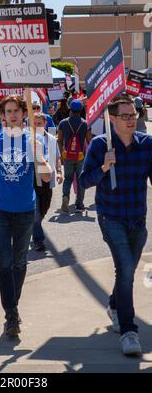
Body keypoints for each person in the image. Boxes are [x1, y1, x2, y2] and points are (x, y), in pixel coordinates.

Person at [80, 96, 152, 356]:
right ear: (112, 119)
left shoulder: (147, 144)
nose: (132, 119)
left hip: (137, 217)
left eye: (134, 114)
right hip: (111, 218)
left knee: (127, 271)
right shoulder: (101, 145)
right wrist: (104, 166)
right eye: (125, 116)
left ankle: (114, 304)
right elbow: (84, 180)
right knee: (125, 269)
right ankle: (129, 331)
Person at [0, 95, 52, 338]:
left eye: (15, 111)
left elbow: (47, 177)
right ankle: (11, 312)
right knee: (5, 262)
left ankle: (13, 306)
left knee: (20, 262)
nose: (11, 115)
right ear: (2, 116)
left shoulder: (35, 140)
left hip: (25, 210)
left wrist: (39, 157)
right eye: (7, 111)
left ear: (23, 114)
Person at [32, 112, 63, 251]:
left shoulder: (51, 138)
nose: (37, 126)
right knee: (36, 212)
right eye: (34, 123)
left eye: (39, 123)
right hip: (32, 181)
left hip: (47, 180)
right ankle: (38, 240)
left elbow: (57, 157)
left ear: (45, 123)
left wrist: (60, 172)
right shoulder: (27, 139)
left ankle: (33, 227)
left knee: (44, 209)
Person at [58, 99, 92, 213]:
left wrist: (61, 154)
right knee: (80, 180)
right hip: (80, 156)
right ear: (81, 109)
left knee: (67, 179)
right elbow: (89, 141)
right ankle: (79, 205)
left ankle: (65, 197)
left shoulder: (63, 123)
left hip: (67, 155)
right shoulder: (85, 123)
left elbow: (60, 140)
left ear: (70, 109)